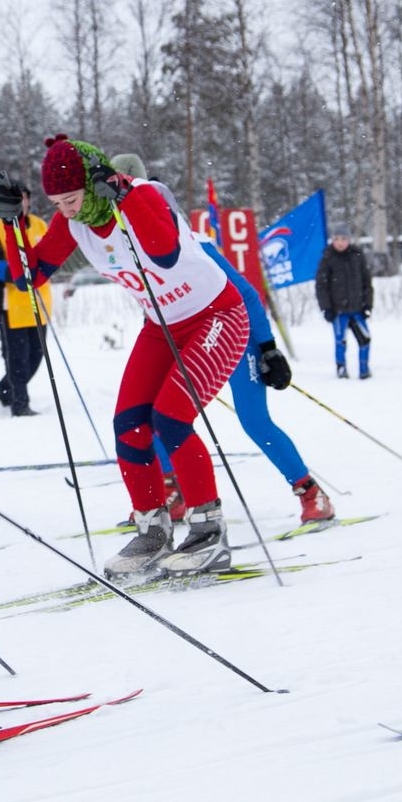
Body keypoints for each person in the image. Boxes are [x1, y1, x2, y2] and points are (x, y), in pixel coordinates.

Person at [0, 135, 250, 577]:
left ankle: (209, 530)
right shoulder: (72, 222)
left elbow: (164, 254)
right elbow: (29, 278)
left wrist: (125, 197)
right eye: (57, 202)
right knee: (128, 424)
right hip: (160, 326)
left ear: (90, 186)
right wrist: (12, 225)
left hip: (216, 316)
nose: (66, 210)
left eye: (71, 199)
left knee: (171, 418)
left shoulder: (142, 194)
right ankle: (153, 530)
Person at [113, 153, 334, 530]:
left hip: (234, 335)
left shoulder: (191, 242)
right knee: (159, 414)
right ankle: (175, 491)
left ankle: (311, 493)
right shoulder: (122, 247)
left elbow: (245, 293)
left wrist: (267, 348)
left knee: (254, 421)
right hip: (189, 338)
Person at [0, 179, 52, 418]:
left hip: (39, 302)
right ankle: (19, 404)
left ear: (28, 200)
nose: (19, 203)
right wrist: (19, 274)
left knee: (36, 355)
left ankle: (3, 388)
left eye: (22, 197)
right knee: (17, 357)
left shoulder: (40, 225)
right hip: (10, 303)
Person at [314, 228, 373, 379]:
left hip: (357, 309)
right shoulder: (327, 258)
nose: (340, 242)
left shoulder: (357, 255)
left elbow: (366, 282)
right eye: (337, 239)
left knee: (365, 339)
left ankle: (364, 369)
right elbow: (321, 286)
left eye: (343, 239)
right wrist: (326, 308)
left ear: (348, 240)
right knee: (340, 341)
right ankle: (341, 369)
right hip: (338, 311)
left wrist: (368, 304)